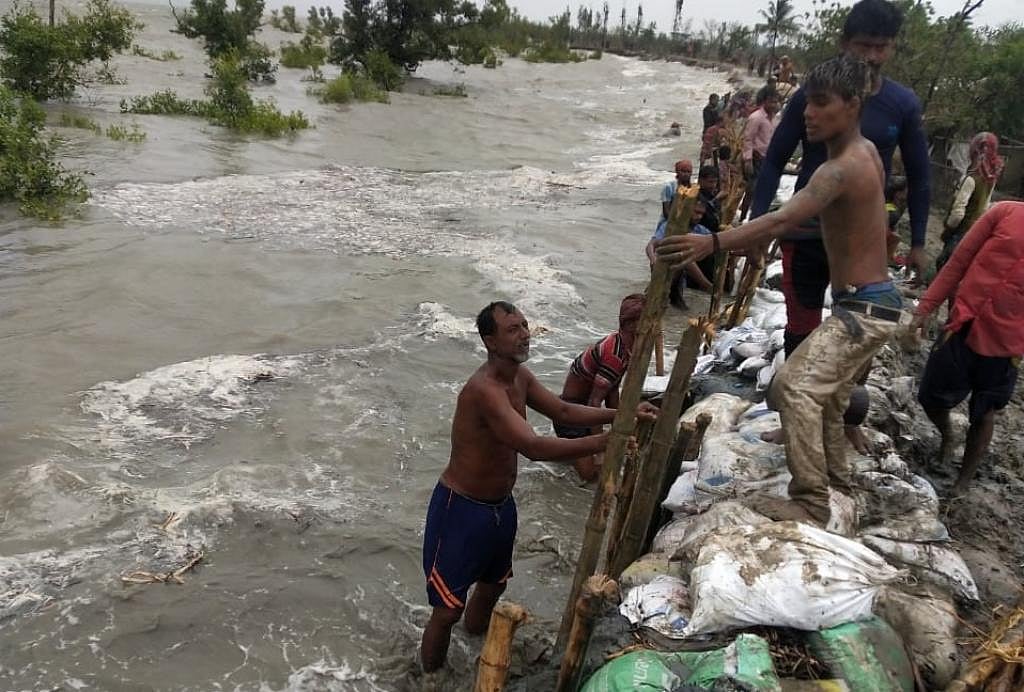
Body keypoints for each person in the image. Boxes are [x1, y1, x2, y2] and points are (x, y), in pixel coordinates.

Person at [657, 56, 906, 527]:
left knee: (792, 387)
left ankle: (810, 500)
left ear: (852, 105)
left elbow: (782, 218)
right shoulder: (868, 153)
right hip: (876, 302)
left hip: (864, 307)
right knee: (830, 398)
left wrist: (709, 242)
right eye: (805, 104)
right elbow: (821, 223)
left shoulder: (836, 169)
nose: (808, 114)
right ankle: (838, 480)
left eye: (820, 104)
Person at [420, 301, 657, 674]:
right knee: (447, 610)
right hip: (461, 510)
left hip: (500, 506)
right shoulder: (484, 390)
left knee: (493, 585)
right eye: (512, 329)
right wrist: (604, 442)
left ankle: (476, 651)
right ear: (489, 341)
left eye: (525, 326)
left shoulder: (520, 377)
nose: (524, 334)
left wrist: (622, 415)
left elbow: (563, 412)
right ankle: (429, 678)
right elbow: (533, 447)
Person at [750, 0, 931, 361]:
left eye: (882, 46)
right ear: (845, 43)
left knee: (855, 331)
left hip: (860, 238)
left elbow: (919, 173)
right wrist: (757, 225)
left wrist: (919, 241)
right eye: (864, 45)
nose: (873, 56)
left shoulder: (902, 103)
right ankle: (794, 402)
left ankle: (840, 412)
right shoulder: (813, 96)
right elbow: (774, 162)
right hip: (805, 231)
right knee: (800, 324)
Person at [910, 202, 1024, 497]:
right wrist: (926, 307)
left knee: (985, 412)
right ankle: (948, 434)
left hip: (1007, 342)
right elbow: (958, 262)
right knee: (930, 396)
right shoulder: (1004, 212)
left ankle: (963, 482)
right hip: (963, 323)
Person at [557, 294, 647, 481]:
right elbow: (594, 401)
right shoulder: (614, 355)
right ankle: (571, 450)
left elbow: (612, 390)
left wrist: (621, 427)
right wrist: (599, 448)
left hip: (582, 411)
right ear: (631, 325)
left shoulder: (625, 347)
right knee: (591, 475)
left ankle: (571, 451)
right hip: (573, 416)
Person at [936, 132, 1005, 272]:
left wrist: (949, 228)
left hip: (960, 231)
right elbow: (985, 207)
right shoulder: (990, 180)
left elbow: (958, 212)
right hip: (973, 231)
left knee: (943, 266)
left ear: (974, 150)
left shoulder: (971, 179)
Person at [739, 88, 781, 221]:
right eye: (771, 102)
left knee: (765, 190)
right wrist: (748, 160)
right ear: (764, 102)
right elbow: (748, 139)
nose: (774, 105)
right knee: (751, 190)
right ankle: (743, 218)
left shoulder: (776, 119)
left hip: (768, 158)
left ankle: (756, 219)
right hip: (756, 157)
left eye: (776, 102)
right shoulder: (756, 117)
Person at [654, 160, 693, 240]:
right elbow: (666, 212)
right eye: (683, 171)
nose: (686, 174)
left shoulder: (692, 189)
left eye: (688, 172)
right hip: (669, 221)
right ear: (677, 172)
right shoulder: (669, 187)